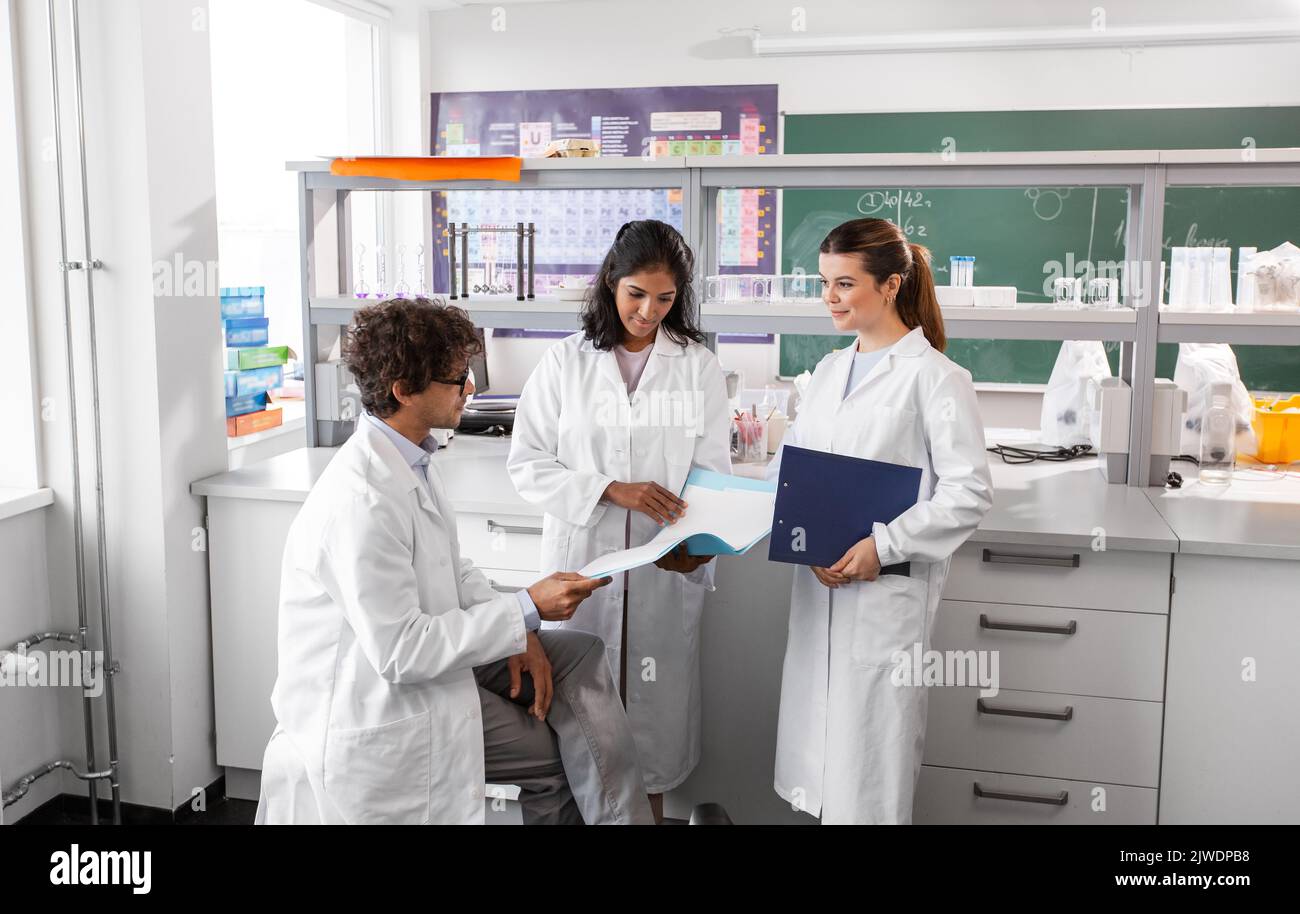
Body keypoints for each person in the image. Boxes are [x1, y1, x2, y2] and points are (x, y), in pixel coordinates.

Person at [256, 297, 654, 825]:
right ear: (403, 390)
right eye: (456, 378)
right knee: (558, 756)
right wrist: (524, 613)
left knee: (579, 655)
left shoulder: (413, 456)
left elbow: (456, 569)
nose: (470, 388)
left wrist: (524, 627)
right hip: (384, 702)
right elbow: (402, 652)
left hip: (434, 655)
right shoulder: (360, 501)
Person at [769, 218, 993, 824]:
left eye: (845, 284)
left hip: (883, 593)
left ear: (891, 285)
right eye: (824, 283)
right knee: (820, 777)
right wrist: (802, 538)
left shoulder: (937, 380)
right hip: (822, 589)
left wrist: (883, 546)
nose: (830, 298)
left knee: (868, 787)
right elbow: (797, 473)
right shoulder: (824, 375)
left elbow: (968, 493)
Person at [508, 220, 731, 821]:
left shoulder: (697, 367)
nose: (648, 311)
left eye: (664, 298)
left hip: (664, 572)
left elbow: (711, 472)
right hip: (585, 568)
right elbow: (527, 463)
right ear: (611, 282)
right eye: (636, 294)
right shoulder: (566, 362)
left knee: (652, 735)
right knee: (580, 728)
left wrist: (699, 544)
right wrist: (610, 489)